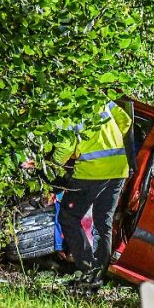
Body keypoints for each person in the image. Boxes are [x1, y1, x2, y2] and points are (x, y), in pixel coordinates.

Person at [52, 101, 131, 286]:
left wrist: (52, 167)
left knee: (68, 216)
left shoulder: (67, 106)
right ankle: (97, 276)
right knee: (103, 222)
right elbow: (126, 121)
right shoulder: (99, 97)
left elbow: (64, 148)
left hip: (93, 170)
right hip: (119, 167)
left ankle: (86, 270)